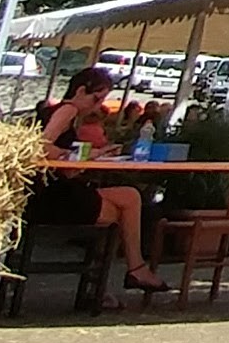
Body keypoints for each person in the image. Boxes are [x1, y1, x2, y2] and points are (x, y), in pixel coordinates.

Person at [42, 69, 165, 292]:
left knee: (129, 199)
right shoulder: (68, 110)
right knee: (121, 214)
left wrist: (88, 156)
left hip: (54, 188)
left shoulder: (59, 112)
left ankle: (116, 280)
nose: (96, 107)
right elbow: (41, 145)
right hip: (55, 196)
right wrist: (88, 155)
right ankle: (123, 276)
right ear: (81, 91)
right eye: (96, 99)